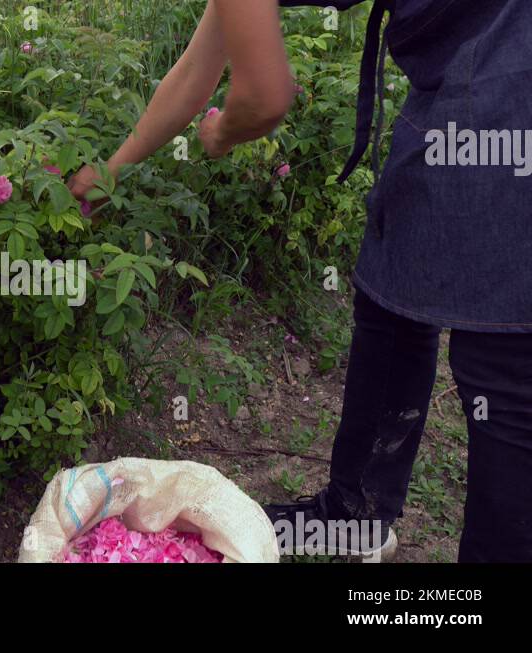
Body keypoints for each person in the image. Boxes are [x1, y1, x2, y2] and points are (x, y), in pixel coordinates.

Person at [68, 0, 532, 563]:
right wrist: (111, 170)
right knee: (391, 292)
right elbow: (198, 66)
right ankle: (354, 514)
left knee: (505, 368)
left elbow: (263, 97)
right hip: (452, 81)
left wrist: (220, 134)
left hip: (516, 77)